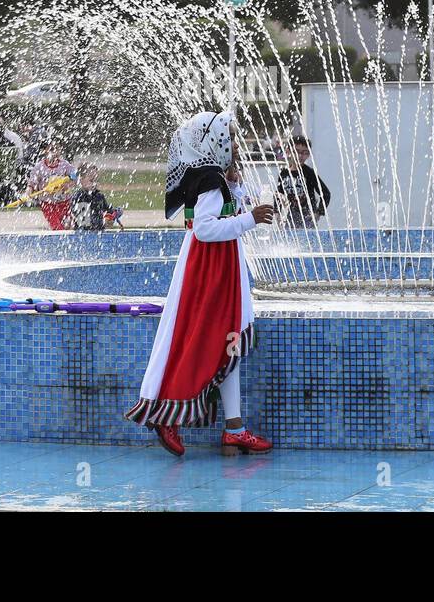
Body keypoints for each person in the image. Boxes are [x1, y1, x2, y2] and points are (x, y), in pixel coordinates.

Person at [124, 110, 275, 457]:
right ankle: (172, 417)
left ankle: (234, 427)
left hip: (216, 269)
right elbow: (206, 229)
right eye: (231, 138)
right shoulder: (208, 178)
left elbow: (217, 215)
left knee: (227, 344)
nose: (236, 145)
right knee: (210, 341)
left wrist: (234, 186)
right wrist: (250, 220)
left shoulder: (212, 176)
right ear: (215, 140)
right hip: (210, 271)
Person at [277, 135, 331, 228]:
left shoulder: (309, 173)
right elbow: (279, 195)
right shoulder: (283, 173)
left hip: (308, 219)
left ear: (308, 154)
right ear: (288, 152)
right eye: (296, 151)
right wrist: (277, 214)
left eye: (304, 153)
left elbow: (325, 193)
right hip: (291, 219)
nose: (300, 156)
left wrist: (318, 214)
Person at [27, 141, 76, 230]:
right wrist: (30, 192)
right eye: (52, 149)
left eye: (57, 149)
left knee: (71, 226)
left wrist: (68, 184)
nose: (55, 152)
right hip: (47, 204)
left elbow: (75, 175)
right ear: (44, 151)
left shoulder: (64, 164)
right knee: (57, 227)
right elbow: (31, 184)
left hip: (64, 202)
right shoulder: (39, 167)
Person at [69, 163, 122, 230]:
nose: (95, 183)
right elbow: (84, 222)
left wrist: (115, 213)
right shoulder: (79, 197)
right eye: (91, 180)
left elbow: (107, 210)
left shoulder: (99, 196)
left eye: (96, 180)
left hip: (98, 233)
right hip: (84, 235)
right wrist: (103, 222)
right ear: (81, 180)